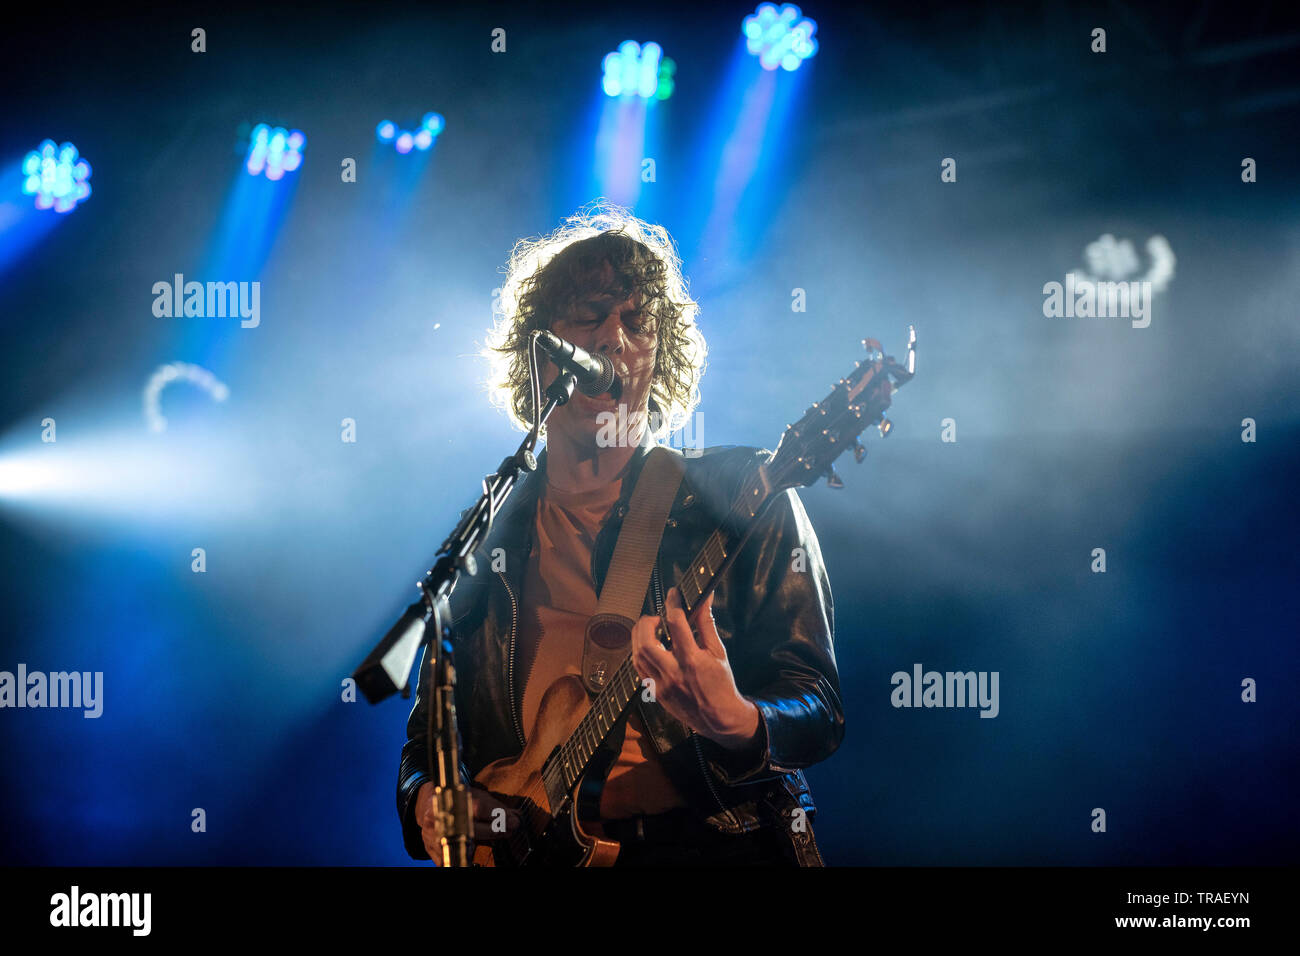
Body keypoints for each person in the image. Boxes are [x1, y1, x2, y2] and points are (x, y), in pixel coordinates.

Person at [397, 203, 842, 866]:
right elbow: (426, 745)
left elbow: (818, 702)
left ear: (659, 353)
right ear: (539, 350)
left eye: (637, 322)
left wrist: (741, 722)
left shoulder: (740, 495)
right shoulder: (489, 540)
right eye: (589, 315)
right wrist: (427, 805)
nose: (614, 341)